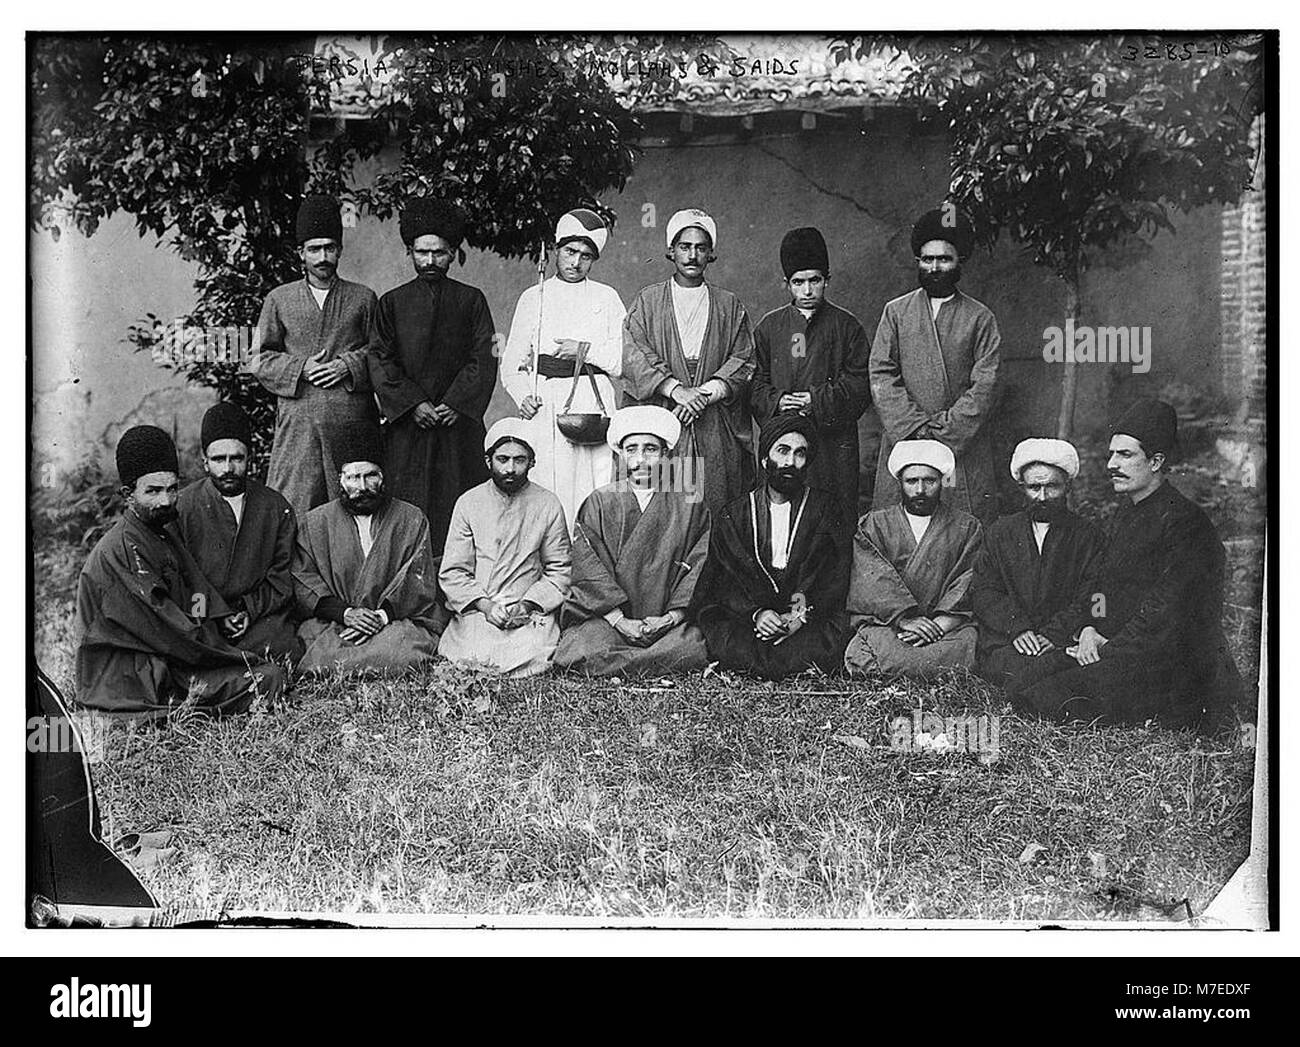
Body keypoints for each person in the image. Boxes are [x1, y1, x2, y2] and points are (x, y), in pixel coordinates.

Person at [1016, 399, 1244, 727]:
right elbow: (1104, 589)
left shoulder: (1185, 523)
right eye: (1111, 454)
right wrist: (1090, 629)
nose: (1111, 464)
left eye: (1125, 455)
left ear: (1156, 461)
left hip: (1171, 664)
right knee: (1023, 681)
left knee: (1043, 698)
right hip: (1118, 645)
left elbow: (1166, 612)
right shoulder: (1126, 513)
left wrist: (1107, 648)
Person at [75, 426, 285, 717]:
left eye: (172, 489)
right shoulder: (122, 550)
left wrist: (219, 617)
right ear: (128, 494)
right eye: (153, 491)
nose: (165, 501)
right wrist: (238, 658)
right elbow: (170, 631)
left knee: (267, 672)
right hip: (131, 673)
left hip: (168, 652)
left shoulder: (159, 530)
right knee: (265, 676)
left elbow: (194, 589)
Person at [368, 197, 498, 552]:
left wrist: (456, 403)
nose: (430, 261)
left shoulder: (471, 300)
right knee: (408, 509)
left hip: (458, 429)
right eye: (422, 252)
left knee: (462, 506)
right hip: (410, 430)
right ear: (409, 251)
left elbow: (484, 356)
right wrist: (412, 405)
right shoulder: (391, 303)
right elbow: (380, 357)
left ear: (453, 253)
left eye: (439, 253)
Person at [245, 195, 380, 517]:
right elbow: (258, 358)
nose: (323, 257)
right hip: (299, 424)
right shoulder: (279, 299)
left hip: (351, 423)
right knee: (294, 506)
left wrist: (346, 365)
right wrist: (301, 367)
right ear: (301, 254)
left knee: (353, 504)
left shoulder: (363, 298)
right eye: (314, 249)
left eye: (330, 248)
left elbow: (382, 352)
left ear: (340, 251)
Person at [691, 414, 851, 680]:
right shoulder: (736, 513)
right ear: (765, 460)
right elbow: (725, 579)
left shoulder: (824, 509)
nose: (790, 462)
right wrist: (757, 614)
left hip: (806, 615)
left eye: (800, 454)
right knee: (727, 639)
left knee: (830, 639)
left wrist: (798, 616)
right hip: (749, 618)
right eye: (783, 451)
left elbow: (833, 574)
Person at [555, 406, 711, 676]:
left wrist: (671, 618)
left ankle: (620, 663)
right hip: (610, 621)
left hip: (666, 624)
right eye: (632, 450)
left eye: (650, 449)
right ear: (621, 454)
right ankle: (652, 661)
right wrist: (619, 621)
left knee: (693, 645)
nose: (640, 459)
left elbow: (700, 565)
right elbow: (588, 570)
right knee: (581, 646)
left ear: (666, 453)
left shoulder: (690, 504)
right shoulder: (599, 502)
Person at [869, 206, 1000, 522]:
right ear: (918, 262)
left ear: (959, 262)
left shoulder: (980, 317)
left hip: (958, 444)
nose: (935, 267)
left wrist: (946, 431)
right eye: (927, 260)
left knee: (961, 530)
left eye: (944, 259)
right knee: (898, 528)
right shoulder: (896, 312)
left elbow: (986, 383)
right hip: (907, 440)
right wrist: (914, 426)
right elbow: (881, 372)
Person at [622, 208, 756, 516]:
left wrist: (704, 394)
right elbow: (634, 353)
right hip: (664, 412)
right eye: (685, 247)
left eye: (701, 247)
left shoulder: (728, 304)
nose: (692, 255)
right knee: (665, 503)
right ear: (671, 251)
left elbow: (744, 357)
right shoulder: (648, 301)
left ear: (711, 254)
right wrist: (675, 390)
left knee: (718, 498)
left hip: (714, 420)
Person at [501, 209, 627, 530]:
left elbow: (624, 360)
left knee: (594, 484)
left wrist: (583, 350)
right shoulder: (534, 297)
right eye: (570, 252)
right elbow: (512, 363)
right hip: (548, 400)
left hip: (593, 398)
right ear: (556, 249)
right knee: (550, 483)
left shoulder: (607, 297)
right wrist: (522, 396)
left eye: (586, 256)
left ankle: (590, 559)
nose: (576, 262)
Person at [291, 427, 444, 674]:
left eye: (370, 476)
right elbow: (304, 579)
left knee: (401, 649)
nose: (362, 487)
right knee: (317, 650)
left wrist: (381, 617)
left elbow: (417, 579)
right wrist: (347, 614)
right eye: (352, 478)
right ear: (339, 478)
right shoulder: (315, 522)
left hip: (393, 622)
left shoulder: (411, 518)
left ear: (383, 476)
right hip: (338, 622)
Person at [437, 418, 572, 677]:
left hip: (528, 608)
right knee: (471, 653)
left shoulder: (548, 504)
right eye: (502, 459)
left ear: (532, 463)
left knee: (532, 650)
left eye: (519, 460)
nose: (510, 468)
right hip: (481, 608)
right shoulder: (469, 502)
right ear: (489, 462)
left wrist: (528, 605)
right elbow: (454, 571)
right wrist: (486, 606)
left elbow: (559, 569)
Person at [751, 226, 872, 512]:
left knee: (832, 518)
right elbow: (753, 383)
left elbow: (860, 384)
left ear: (827, 280)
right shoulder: (769, 327)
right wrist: (778, 401)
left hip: (833, 448)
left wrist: (815, 401)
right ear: (786, 283)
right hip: (782, 444)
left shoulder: (847, 326)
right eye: (798, 282)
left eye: (815, 280)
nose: (807, 290)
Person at [972, 439, 1105, 698]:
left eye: (1052, 487)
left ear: (1067, 486)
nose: (1042, 497)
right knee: (1007, 665)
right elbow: (984, 590)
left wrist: (1053, 635)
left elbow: (1095, 594)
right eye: (1034, 487)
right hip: (1010, 639)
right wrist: (1019, 628)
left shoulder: (1089, 536)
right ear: (1022, 487)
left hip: (1064, 638)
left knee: (1067, 665)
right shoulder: (1000, 533)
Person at [844, 439, 983, 678]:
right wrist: (904, 619)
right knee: (863, 649)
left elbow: (968, 579)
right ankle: (931, 666)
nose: (920, 490)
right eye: (912, 481)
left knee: (967, 643)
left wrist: (939, 625)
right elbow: (871, 580)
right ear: (900, 483)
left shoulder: (967, 526)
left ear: (943, 481)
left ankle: (897, 664)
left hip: (944, 626)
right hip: (891, 624)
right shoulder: (873, 524)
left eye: (930, 481)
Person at [176, 402, 301, 662]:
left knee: (283, 644)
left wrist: (248, 610)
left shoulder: (275, 507)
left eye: (237, 458)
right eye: (219, 459)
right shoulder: (182, 507)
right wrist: (215, 614)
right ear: (205, 462)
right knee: (188, 640)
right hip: (201, 613)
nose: (228, 468)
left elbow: (282, 578)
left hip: (255, 616)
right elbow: (179, 578)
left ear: (250, 458)